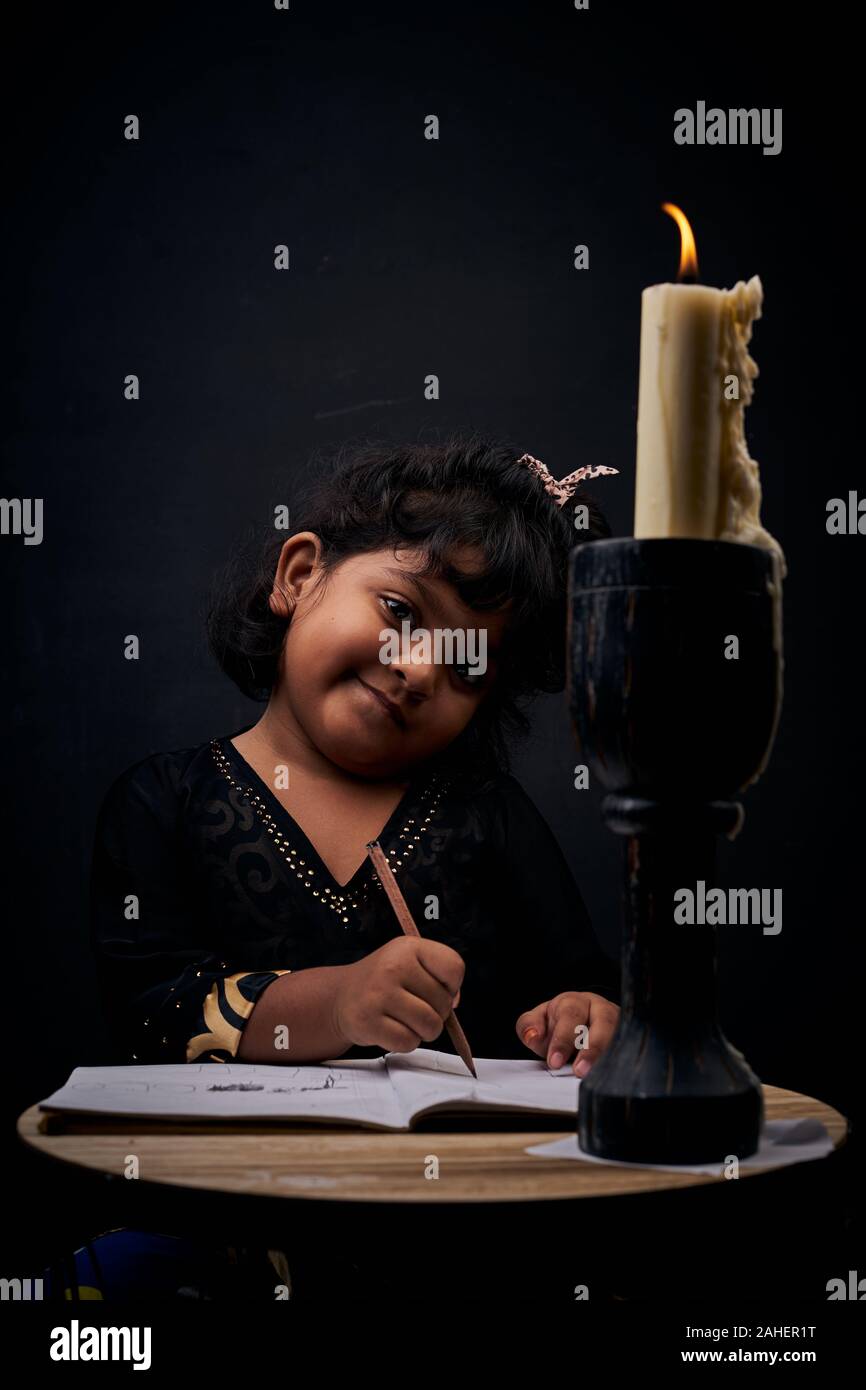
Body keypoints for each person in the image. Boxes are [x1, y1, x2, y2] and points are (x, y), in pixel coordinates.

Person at [86, 434, 622, 1298]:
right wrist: (337, 1001)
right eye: (403, 613)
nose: (416, 671)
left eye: (466, 666)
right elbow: (156, 1017)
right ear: (299, 574)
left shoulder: (489, 820)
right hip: (230, 1233)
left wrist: (581, 1018)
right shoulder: (164, 802)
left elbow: (583, 988)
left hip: (457, 1244)